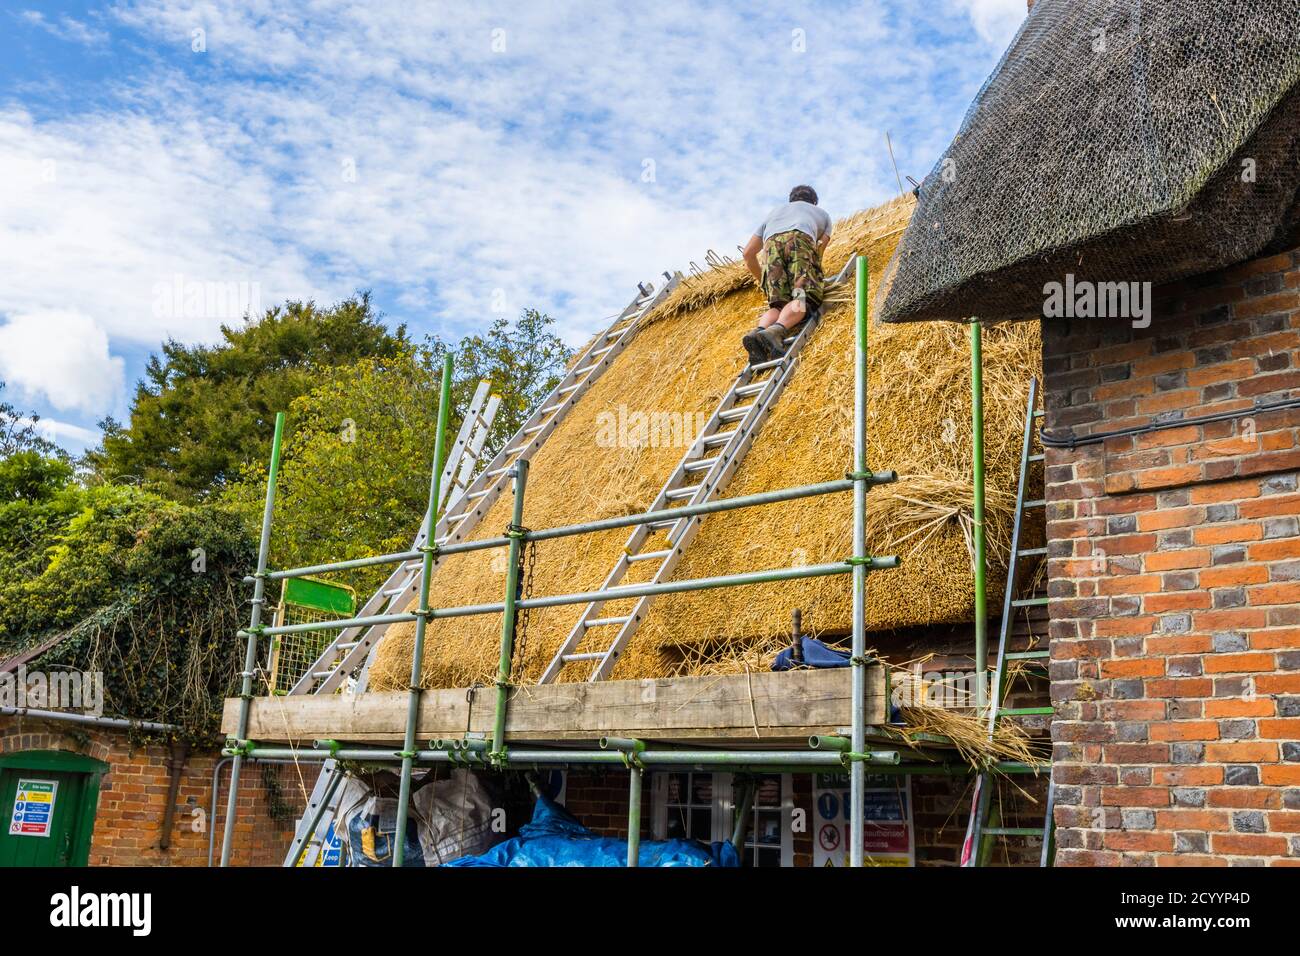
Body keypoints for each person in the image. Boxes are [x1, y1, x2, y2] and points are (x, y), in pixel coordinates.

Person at [741, 185, 832, 365]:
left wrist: (764, 282)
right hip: (801, 240)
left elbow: (747, 253)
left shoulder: (774, 213)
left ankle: (758, 331)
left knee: (778, 305)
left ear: (791, 199)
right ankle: (776, 331)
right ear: (813, 202)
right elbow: (819, 250)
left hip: (771, 246)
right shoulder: (822, 214)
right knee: (801, 298)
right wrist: (813, 276)